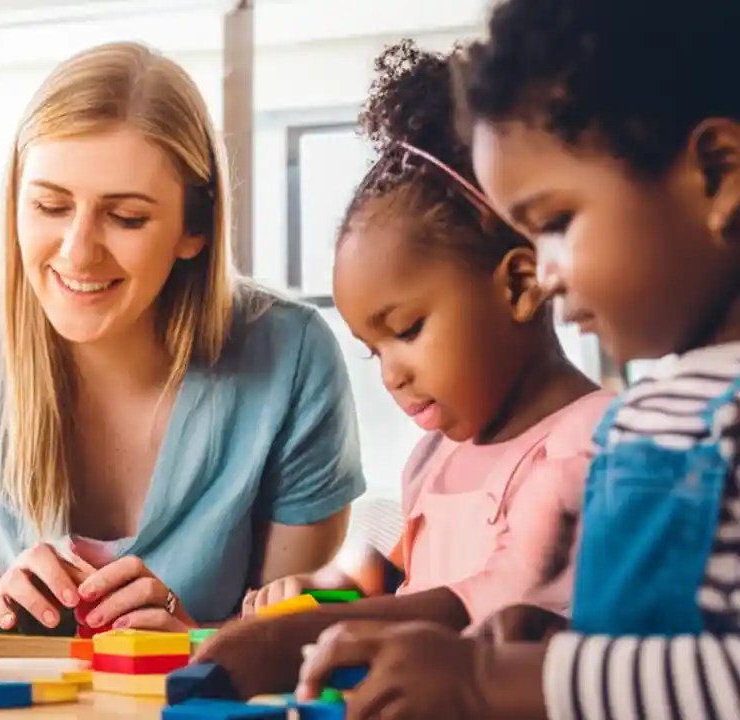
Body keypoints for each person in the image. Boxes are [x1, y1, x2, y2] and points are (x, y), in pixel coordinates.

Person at [297, 0, 740, 717]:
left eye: (559, 223)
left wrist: (492, 681)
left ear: (717, 174)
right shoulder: (657, 413)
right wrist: (552, 640)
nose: (548, 269)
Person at [0, 41, 365, 632]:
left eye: (126, 218)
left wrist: (190, 640)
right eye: (49, 205)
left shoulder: (292, 357)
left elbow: (299, 638)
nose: (77, 252)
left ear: (193, 229)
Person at [196, 40, 611, 695]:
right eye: (373, 348)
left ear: (520, 285)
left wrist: (292, 640)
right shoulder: (434, 456)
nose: (392, 373)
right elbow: (387, 575)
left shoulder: (587, 444)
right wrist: (325, 590)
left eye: (408, 331)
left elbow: (504, 599)